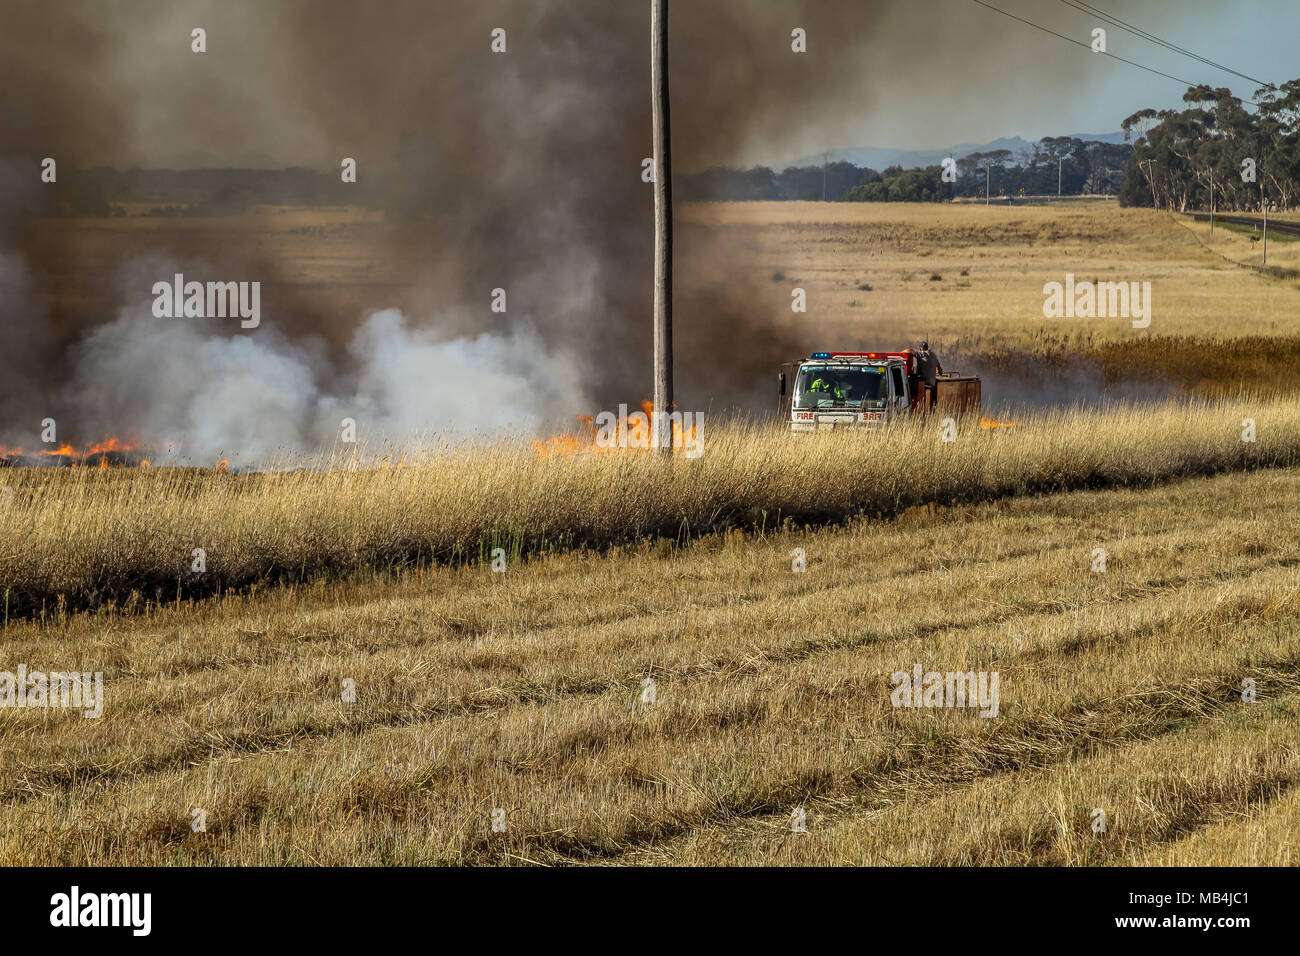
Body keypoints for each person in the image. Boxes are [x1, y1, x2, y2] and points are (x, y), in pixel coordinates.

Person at [915, 341, 944, 409]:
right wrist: (939, 373)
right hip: (932, 384)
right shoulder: (934, 355)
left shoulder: (920, 354)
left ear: (920, 349)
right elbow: (939, 370)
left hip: (923, 384)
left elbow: (911, 353)